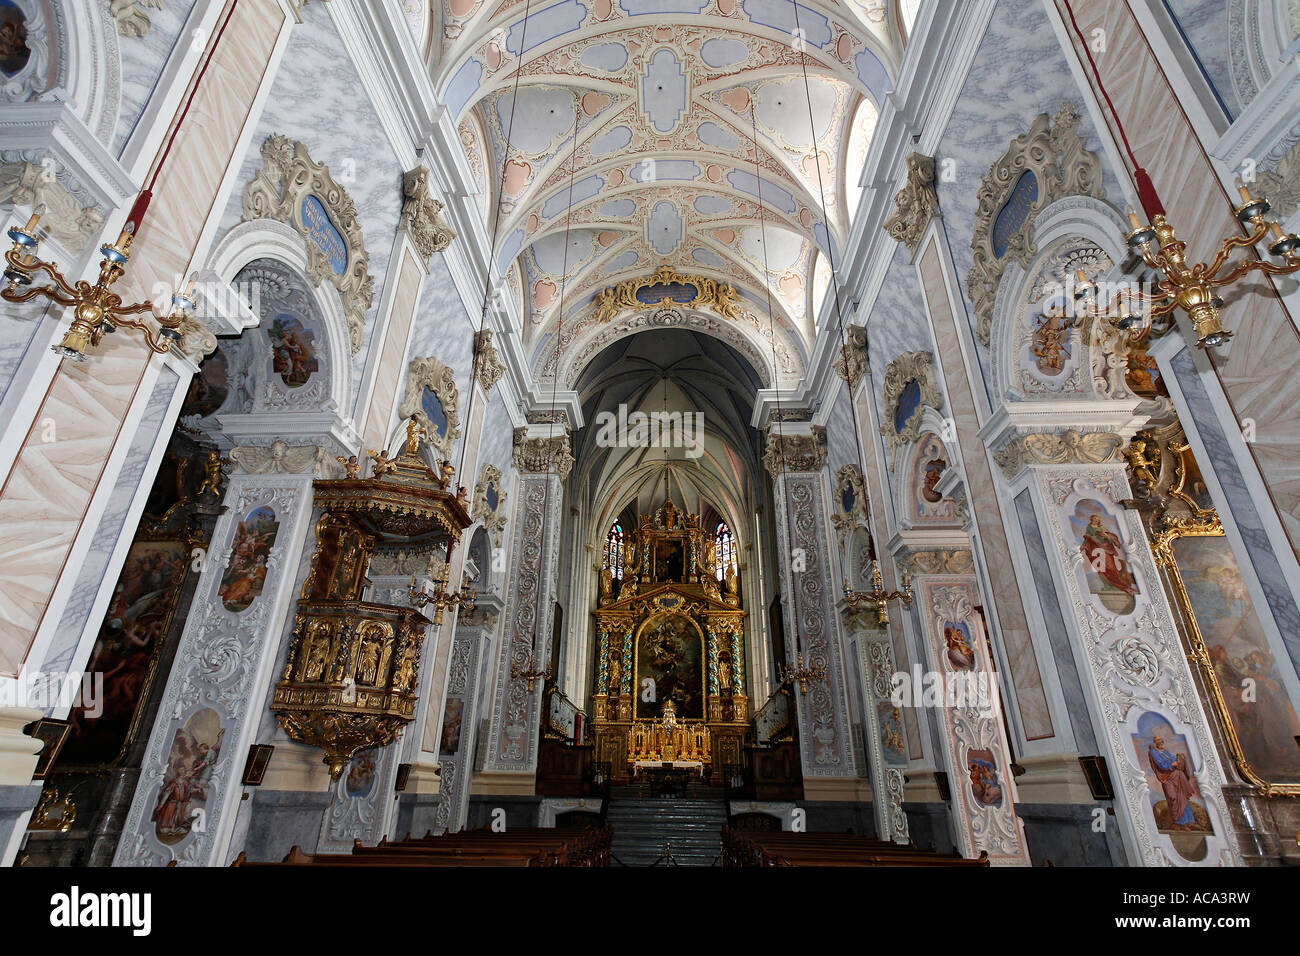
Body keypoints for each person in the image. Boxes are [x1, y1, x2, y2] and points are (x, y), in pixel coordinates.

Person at [1147, 734, 1197, 828]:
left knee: (1182, 798)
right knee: (1173, 798)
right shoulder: (1154, 752)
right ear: (1155, 742)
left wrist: (1180, 758)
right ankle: (1178, 822)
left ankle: (1188, 821)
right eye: (1157, 740)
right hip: (1168, 778)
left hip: (1177, 777)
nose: (1160, 742)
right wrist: (1172, 764)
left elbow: (1172, 758)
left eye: (1161, 740)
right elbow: (1161, 764)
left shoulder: (1164, 751)